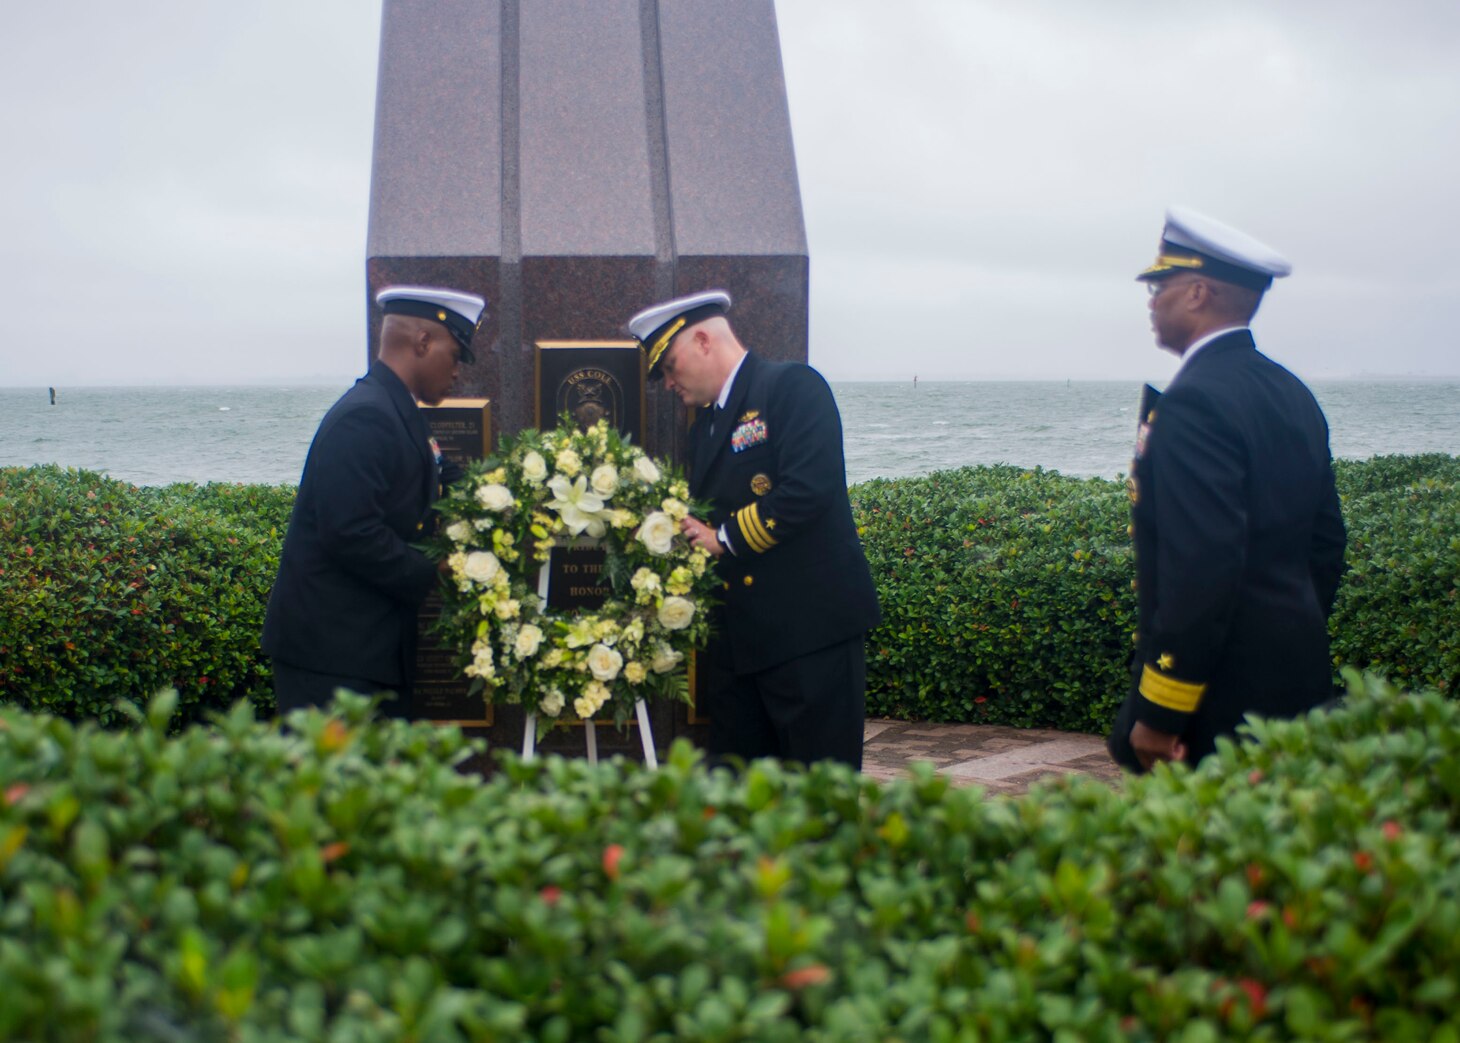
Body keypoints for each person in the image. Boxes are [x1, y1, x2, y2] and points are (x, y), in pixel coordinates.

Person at [1107, 207, 1346, 771]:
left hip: (1215, 703)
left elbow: (1200, 567)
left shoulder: (1193, 401)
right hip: (1294, 684)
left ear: (1197, 293)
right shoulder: (1291, 392)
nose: (1150, 301)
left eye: (1160, 285)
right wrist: (1282, 635)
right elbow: (1326, 543)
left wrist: (1162, 712)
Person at [627, 290, 881, 768]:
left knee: (819, 786)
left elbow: (809, 489)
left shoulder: (791, 387)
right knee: (741, 790)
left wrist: (721, 538)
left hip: (810, 634)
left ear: (703, 341)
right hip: (741, 646)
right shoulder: (703, 428)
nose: (668, 383)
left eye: (670, 366)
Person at [262, 285, 487, 716]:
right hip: (331, 658)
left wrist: (521, 496)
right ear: (423, 342)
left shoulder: (395, 408)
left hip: (363, 649)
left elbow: (446, 477)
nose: (457, 372)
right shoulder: (366, 416)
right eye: (455, 355)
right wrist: (437, 569)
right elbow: (350, 531)